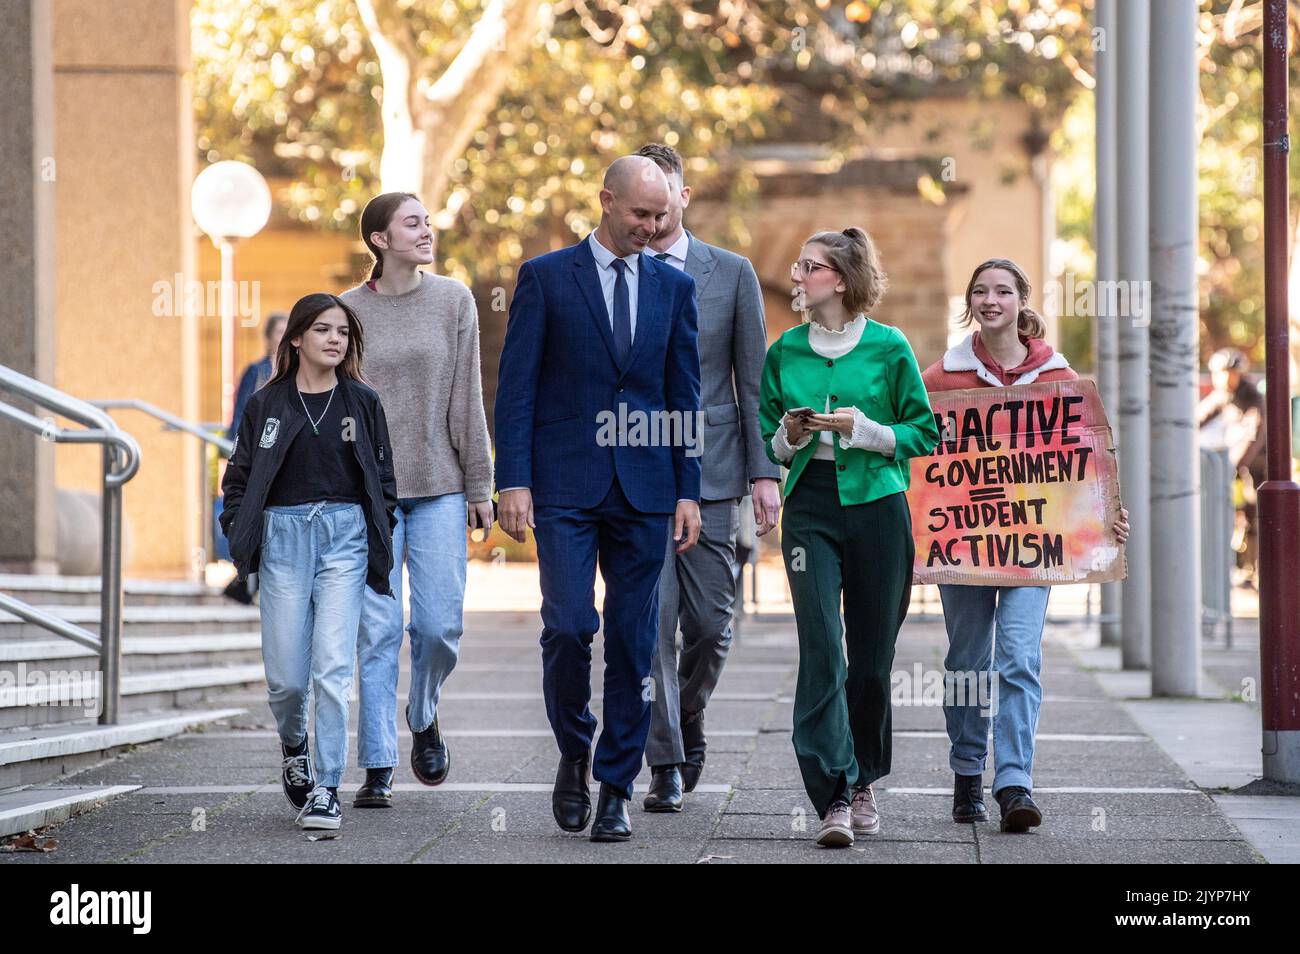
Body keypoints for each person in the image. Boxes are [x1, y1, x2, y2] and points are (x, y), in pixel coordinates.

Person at [494, 155, 702, 842]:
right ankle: (573, 748)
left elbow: (683, 398)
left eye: (661, 215)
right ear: (607, 201)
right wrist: (512, 480)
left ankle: (615, 786)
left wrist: (688, 491)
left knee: (634, 640)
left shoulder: (675, 289)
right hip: (564, 485)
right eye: (641, 214)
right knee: (569, 626)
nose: (652, 226)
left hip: (646, 489)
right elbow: (517, 388)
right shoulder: (547, 278)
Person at [921, 257, 1130, 834]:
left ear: (1021, 301)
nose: (992, 300)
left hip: (1034, 547)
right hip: (963, 547)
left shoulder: (1058, 379)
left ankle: (1014, 782)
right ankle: (967, 769)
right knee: (967, 661)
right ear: (970, 302)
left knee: (1019, 657)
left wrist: (1104, 519)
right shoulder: (940, 381)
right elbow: (918, 461)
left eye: (1003, 291)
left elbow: (1083, 469)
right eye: (981, 290)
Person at [758, 227, 939, 847]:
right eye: (800, 264)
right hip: (809, 507)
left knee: (870, 658)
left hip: (877, 509)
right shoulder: (785, 350)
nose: (798, 275)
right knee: (821, 647)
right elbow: (770, 442)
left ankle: (864, 779)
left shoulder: (889, 348)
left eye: (810, 267)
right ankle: (832, 793)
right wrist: (790, 436)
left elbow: (923, 432)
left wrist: (869, 431)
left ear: (840, 279)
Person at [634, 143, 783, 813]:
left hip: (717, 471)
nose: (656, 211)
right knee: (650, 621)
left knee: (713, 624)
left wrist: (764, 473)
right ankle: (663, 758)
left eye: (665, 196)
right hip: (632, 470)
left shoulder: (732, 272)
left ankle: (688, 711)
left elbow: (751, 383)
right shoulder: (613, 270)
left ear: (684, 198)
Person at [220, 292, 397, 833]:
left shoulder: (361, 402)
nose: (335, 340)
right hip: (284, 541)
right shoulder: (265, 405)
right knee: (287, 679)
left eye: (342, 331)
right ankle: (293, 744)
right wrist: (242, 530)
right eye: (322, 330)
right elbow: (238, 480)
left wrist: (377, 530)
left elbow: (384, 480)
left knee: (332, 668)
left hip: (344, 539)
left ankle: (325, 788)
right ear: (295, 338)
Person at [339, 192, 495, 809]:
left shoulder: (453, 300)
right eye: (412, 223)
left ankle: (424, 710)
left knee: (437, 626)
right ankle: (377, 762)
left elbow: (467, 397)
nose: (427, 231)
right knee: (376, 631)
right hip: (369, 497)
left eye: (428, 221)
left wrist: (480, 485)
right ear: (379, 239)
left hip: (440, 489)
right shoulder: (346, 312)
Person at [220, 312, 287, 601]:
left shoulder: (300, 371)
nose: (282, 337)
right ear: (268, 336)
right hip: (258, 456)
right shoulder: (257, 371)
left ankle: (249, 582)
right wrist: (237, 451)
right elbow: (240, 416)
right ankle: (246, 579)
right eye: (278, 332)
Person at [1197, 348, 1266, 587]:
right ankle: (1244, 567)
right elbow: (1198, 417)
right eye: (1221, 373)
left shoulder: (1253, 397)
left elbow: (1255, 435)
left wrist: (1235, 464)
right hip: (1237, 466)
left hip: (1257, 466)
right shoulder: (1223, 394)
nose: (1226, 379)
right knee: (1238, 515)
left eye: (1231, 373)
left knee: (1255, 513)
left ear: (1240, 374)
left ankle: (1257, 571)